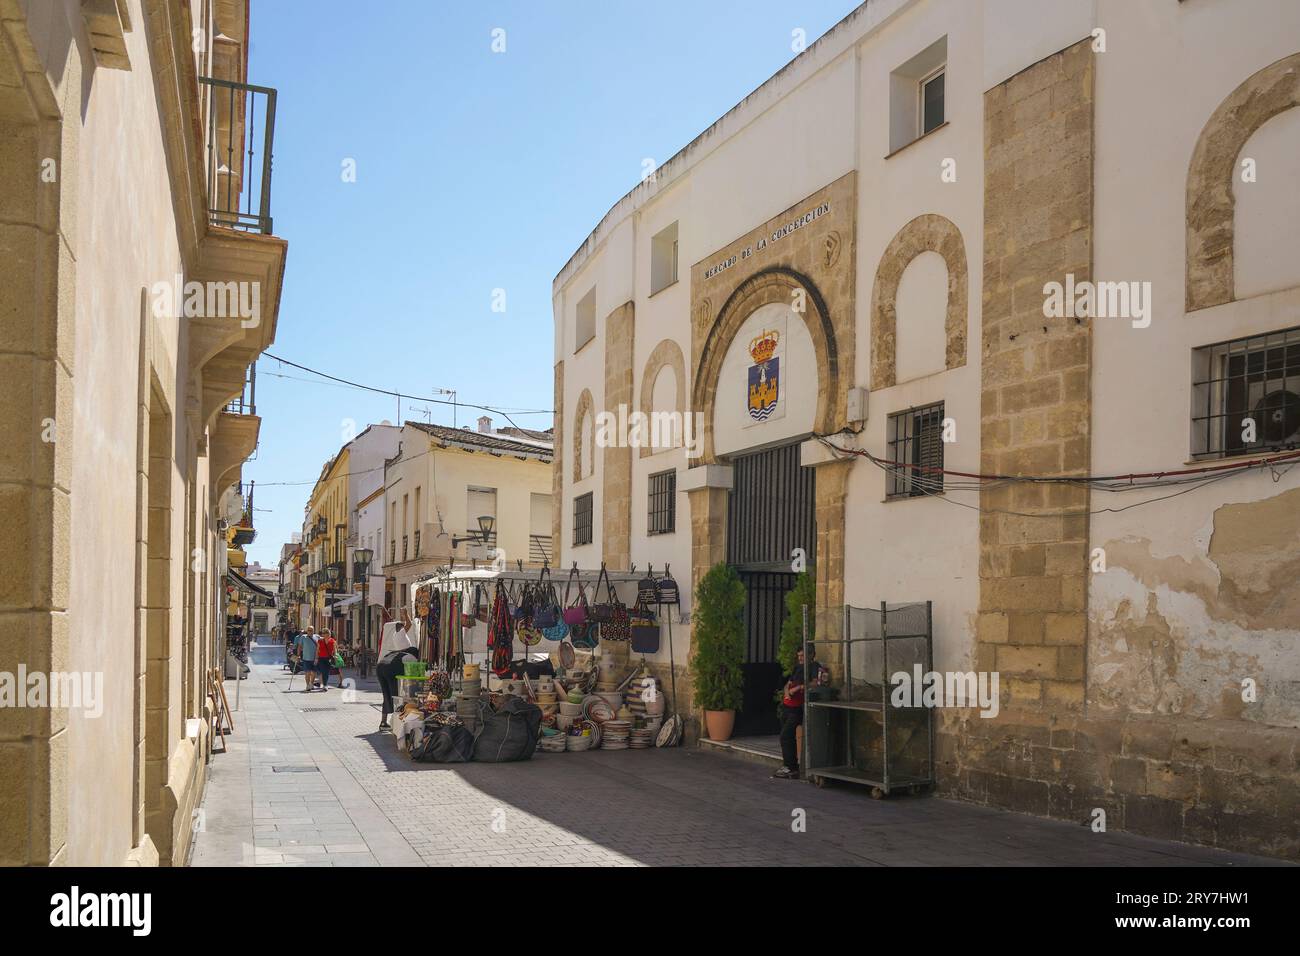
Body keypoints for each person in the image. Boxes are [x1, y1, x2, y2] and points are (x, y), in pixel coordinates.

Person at [773, 645, 827, 780]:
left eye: (803, 656)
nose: (800, 658)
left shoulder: (814, 666)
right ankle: (789, 765)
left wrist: (798, 688)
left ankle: (790, 767)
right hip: (788, 705)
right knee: (787, 737)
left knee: (785, 735)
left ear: (811, 655)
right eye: (799, 656)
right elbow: (788, 683)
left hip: (797, 707)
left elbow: (816, 683)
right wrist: (787, 692)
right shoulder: (797, 667)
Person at [375, 611, 418, 732]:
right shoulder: (402, 639)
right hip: (393, 666)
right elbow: (409, 623)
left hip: (382, 665)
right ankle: (397, 722)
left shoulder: (396, 636)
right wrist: (405, 612)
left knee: (386, 694)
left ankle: (383, 722)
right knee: (396, 695)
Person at [294, 626, 319, 691]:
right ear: (307, 631)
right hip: (306, 658)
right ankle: (307, 685)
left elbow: (325, 639)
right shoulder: (303, 637)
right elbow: (299, 647)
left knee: (314, 673)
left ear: (314, 631)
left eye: (311, 630)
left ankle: (312, 684)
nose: (310, 631)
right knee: (307, 672)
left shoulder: (317, 637)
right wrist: (298, 655)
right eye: (309, 630)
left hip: (315, 658)